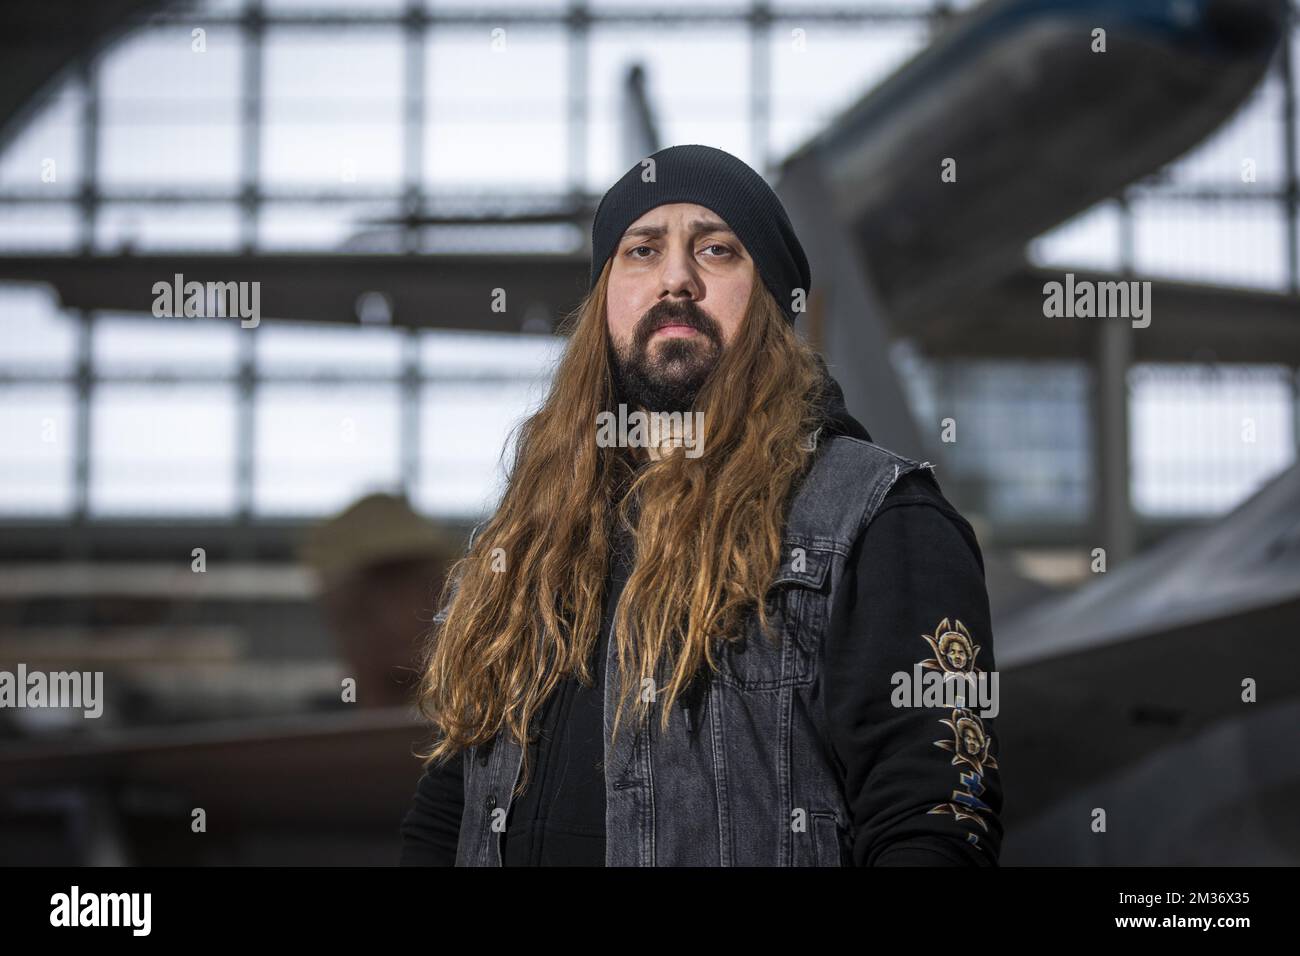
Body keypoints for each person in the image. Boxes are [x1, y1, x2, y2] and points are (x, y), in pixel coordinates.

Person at [400, 143, 1002, 866]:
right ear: (605, 301)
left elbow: (935, 822)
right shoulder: (531, 535)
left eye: (717, 250)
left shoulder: (879, 520)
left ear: (772, 304)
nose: (676, 279)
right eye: (642, 250)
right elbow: (449, 810)